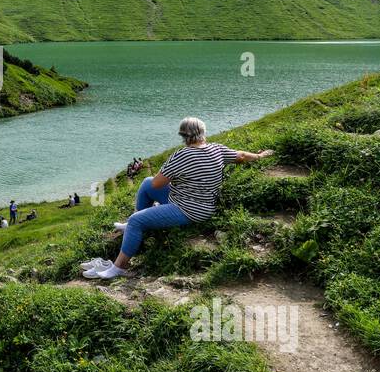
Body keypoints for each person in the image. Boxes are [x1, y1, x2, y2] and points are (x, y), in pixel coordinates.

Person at [81, 117, 273, 280]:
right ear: (203, 133)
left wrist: (172, 170)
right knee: (146, 182)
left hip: (188, 209)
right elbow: (240, 155)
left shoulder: (182, 155)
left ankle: (119, 268)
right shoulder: (217, 149)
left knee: (136, 220)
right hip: (202, 203)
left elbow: (158, 183)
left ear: (183, 137)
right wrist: (259, 156)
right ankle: (133, 227)